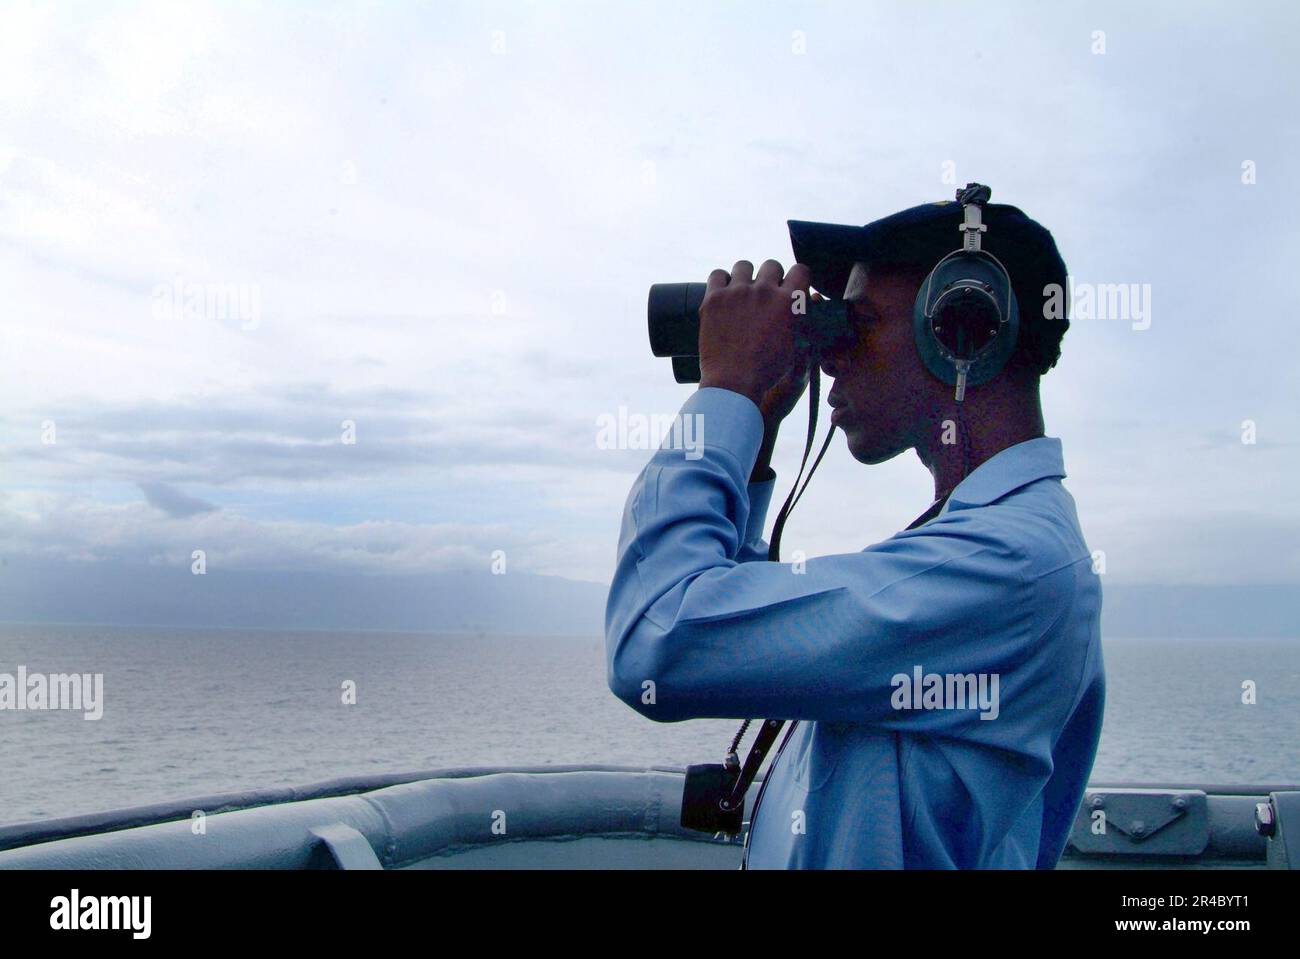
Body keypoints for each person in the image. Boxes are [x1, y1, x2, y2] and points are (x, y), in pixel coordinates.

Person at [605, 196, 1104, 868]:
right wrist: (754, 435)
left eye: (858, 322)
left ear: (965, 328)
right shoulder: (989, 543)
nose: (830, 358)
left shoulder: (1011, 565)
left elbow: (655, 640)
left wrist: (725, 392)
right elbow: (731, 612)